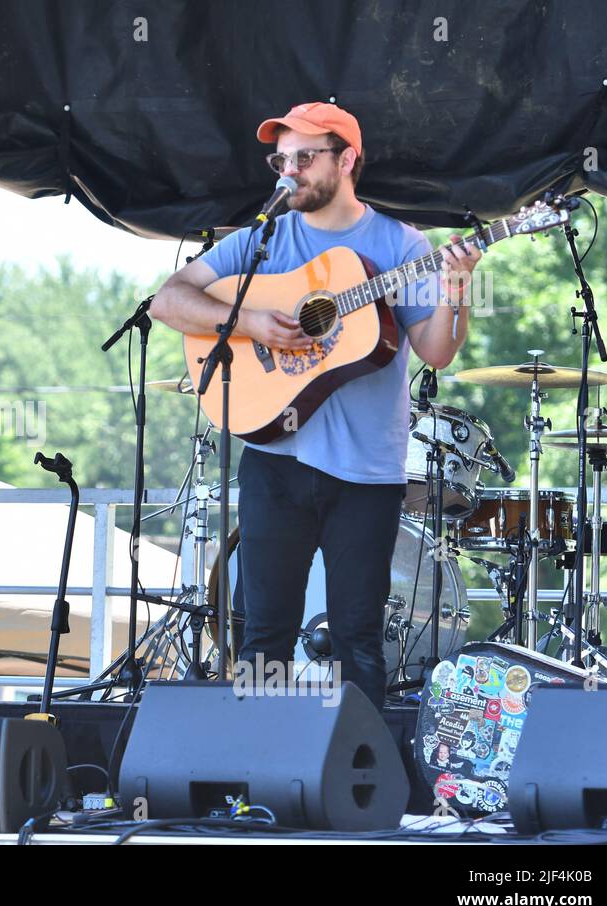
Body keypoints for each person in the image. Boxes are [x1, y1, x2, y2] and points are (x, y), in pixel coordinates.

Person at [150, 103, 483, 708]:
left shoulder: (402, 245)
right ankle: (258, 778)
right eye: (281, 160)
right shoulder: (265, 237)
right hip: (274, 461)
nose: (288, 173)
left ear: (347, 160)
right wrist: (251, 320)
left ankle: (359, 782)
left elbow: (437, 351)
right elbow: (167, 302)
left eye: (304, 159)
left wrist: (457, 287)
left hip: (365, 474)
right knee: (262, 637)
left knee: (358, 639)